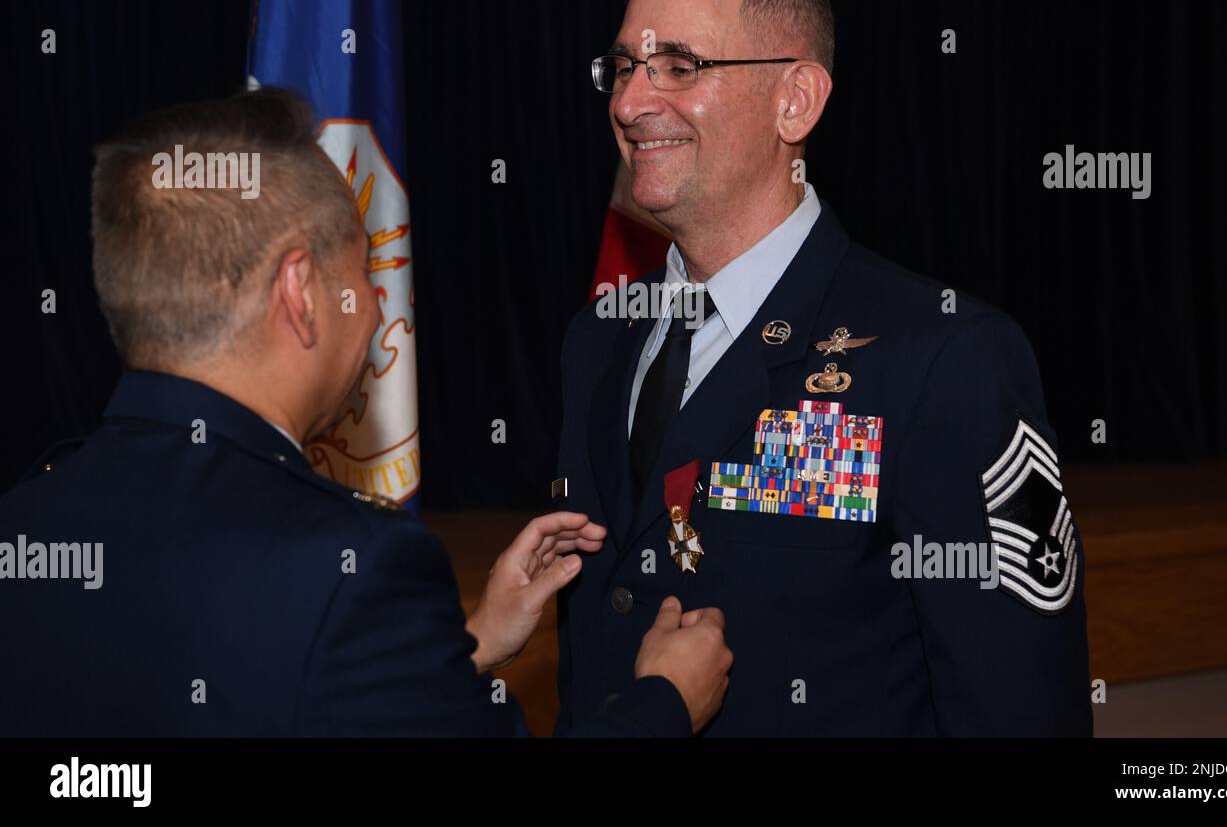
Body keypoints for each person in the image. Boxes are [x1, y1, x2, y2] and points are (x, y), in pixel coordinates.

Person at [0, 88, 730, 737]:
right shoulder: (351, 569)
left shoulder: (28, 519)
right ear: (300, 292)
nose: (379, 302)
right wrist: (665, 700)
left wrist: (465, 645)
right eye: (363, 270)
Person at [554, 0, 1092, 736]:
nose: (630, 103)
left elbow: (1018, 705)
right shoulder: (600, 338)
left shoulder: (945, 358)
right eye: (625, 67)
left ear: (795, 100)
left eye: (679, 66)